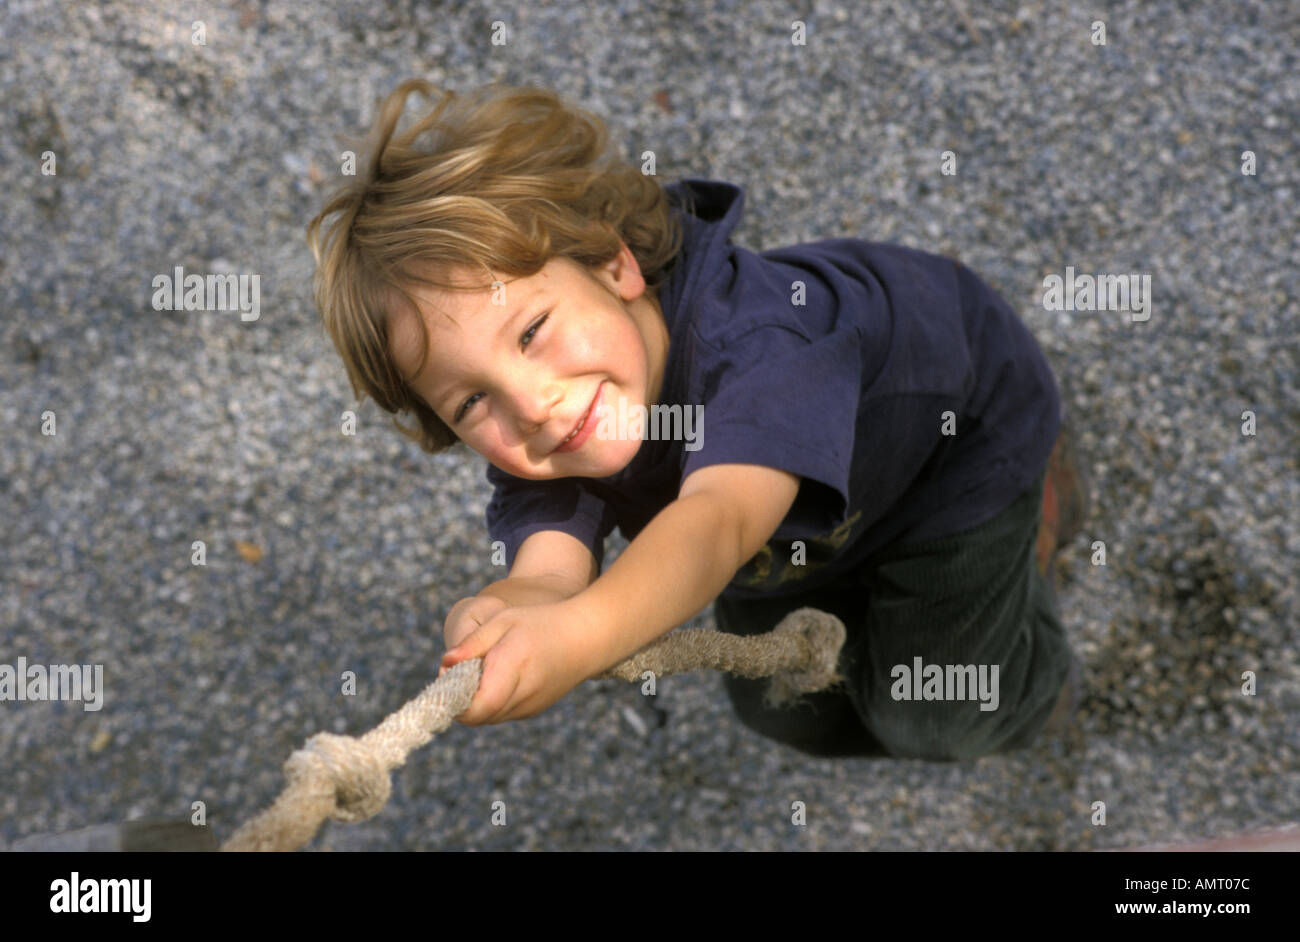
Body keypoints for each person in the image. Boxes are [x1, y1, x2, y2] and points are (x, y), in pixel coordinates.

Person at [305, 79, 1089, 760]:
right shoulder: (556, 425)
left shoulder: (758, 350)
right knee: (779, 703)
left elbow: (714, 524)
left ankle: (1036, 590)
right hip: (810, 512)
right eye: (472, 401)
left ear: (615, 265)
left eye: (533, 333)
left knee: (942, 717)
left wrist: (581, 638)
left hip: (950, 461)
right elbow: (548, 561)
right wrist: (523, 601)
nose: (531, 404)